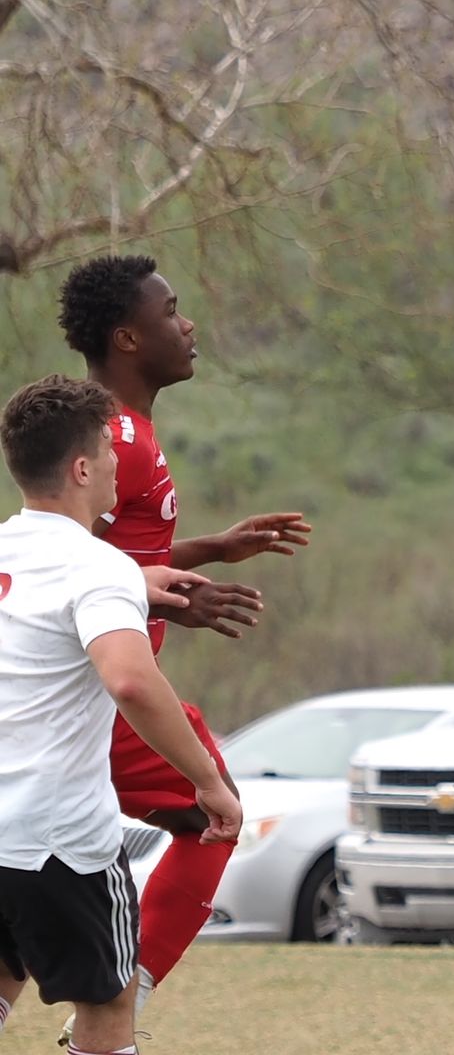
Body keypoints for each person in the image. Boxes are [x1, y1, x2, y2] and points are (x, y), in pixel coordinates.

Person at [54, 255, 310, 1030]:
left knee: (16, 930)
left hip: (82, 698)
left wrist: (202, 552)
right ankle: (124, 991)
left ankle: (114, 991)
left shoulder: (125, 430)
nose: (188, 323)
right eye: (171, 311)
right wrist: (158, 589)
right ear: (129, 337)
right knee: (217, 814)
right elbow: (67, 569)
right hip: (99, 695)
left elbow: (109, 556)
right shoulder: (114, 438)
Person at [0, 374, 243, 1055]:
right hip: (61, 843)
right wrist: (208, 781)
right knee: (107, 1008)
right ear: (81, 469)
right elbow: (132, 682)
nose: (116, 462)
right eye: (107, 450)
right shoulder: (95, 566)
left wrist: (136, 582)